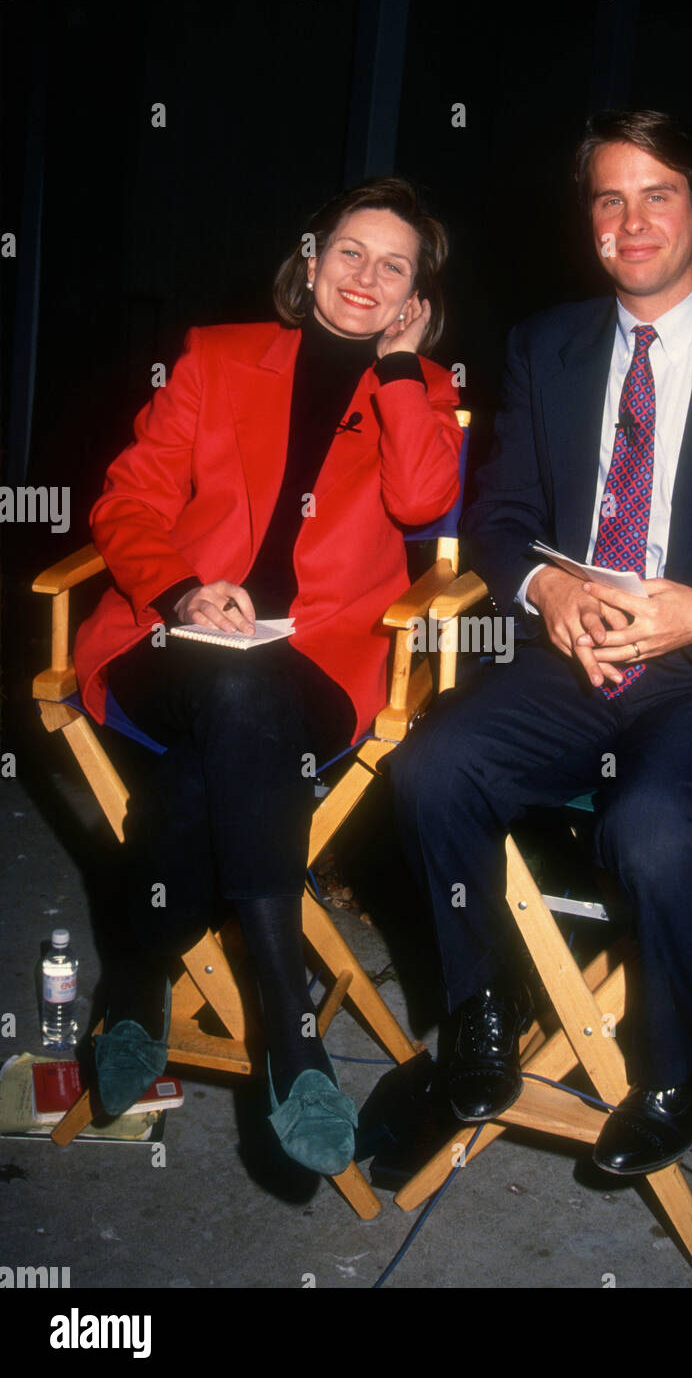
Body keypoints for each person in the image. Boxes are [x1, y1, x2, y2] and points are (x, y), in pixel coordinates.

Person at [388, 111, 692, 1176]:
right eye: (609, 197)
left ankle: (682, 1067)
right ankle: (481, 1008)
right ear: (590, 222)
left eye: (658, 194)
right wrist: (548, 587)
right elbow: (500, 520)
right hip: (573, 664)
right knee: (428, 769)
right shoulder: (544, 347)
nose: (632, 219)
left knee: (650, 826)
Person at [72, 176, 462, 1176]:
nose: (365, 278)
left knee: (234, 721)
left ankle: (138, 971)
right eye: (349, 253)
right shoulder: (215, 356)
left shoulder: (420, 386)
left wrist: (405, 367)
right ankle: (292, 1037)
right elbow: (128, 500)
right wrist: (183, 592)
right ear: (311, 255)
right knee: (231, 699)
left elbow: (424, 503)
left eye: (394, 266)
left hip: (322, 659)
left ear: (416, 294)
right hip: (174, 639)